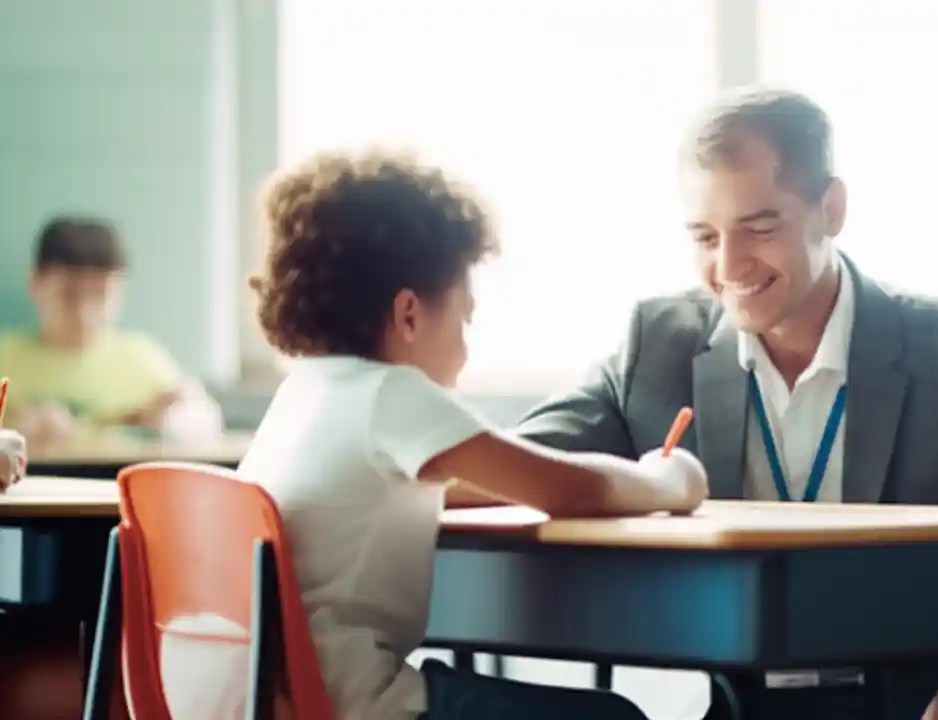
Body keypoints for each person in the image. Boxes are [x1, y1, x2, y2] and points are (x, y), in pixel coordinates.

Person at [517, 88, 938, 719]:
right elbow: (507, 460)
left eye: (759, 228)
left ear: (832, 208)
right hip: (729, 702)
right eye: (704, 236)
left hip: (914, 701)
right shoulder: (657, 346)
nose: (728, 265)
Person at [226, 150, 707, 720]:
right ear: (409, 314)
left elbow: (445, 489)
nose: (466, 345)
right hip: (349, 702)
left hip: (257, 695)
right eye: (464, 318)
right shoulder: (393, 394)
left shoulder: (306, 392)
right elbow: (568, 489)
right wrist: (668, 478)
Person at [0, 216, 222, 445]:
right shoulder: (5, 357)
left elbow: (204, 424)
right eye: (68, 294)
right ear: (35, 282)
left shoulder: (143, 359)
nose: (84, 312)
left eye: (100, 295)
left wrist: (171, 419)